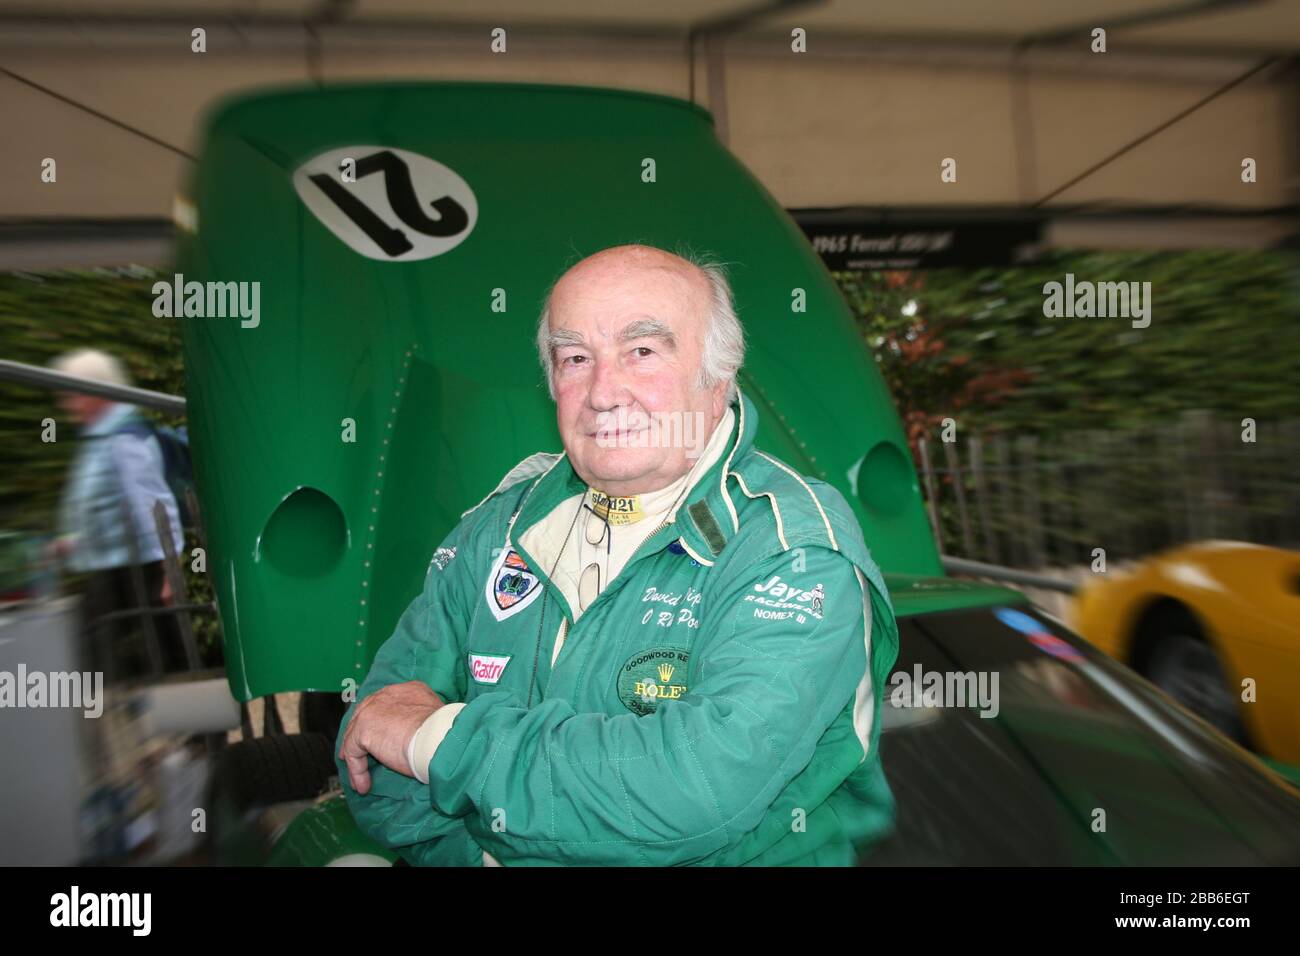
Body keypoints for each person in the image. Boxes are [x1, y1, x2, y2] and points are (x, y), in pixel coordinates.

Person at [336, 244, 899, 865]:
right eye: (575, 358)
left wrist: (436, 740)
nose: (603, 392)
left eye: (643, 350)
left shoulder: (792, 549)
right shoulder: (497, 527)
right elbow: (371, 758)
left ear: (718, 379)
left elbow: (692, 796)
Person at [48, 349, 187, 679]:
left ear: (94, 392)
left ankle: (84, 717)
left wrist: (170, 568)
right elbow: (96, 503)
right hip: (120, 561)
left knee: (91, 642)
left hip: (137, 562)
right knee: (163, 641)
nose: (67, 405)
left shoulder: (125, 437)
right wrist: (71, 542)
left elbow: (152, 501)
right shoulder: (101, 437)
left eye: (72, 395)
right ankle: (202, 722)